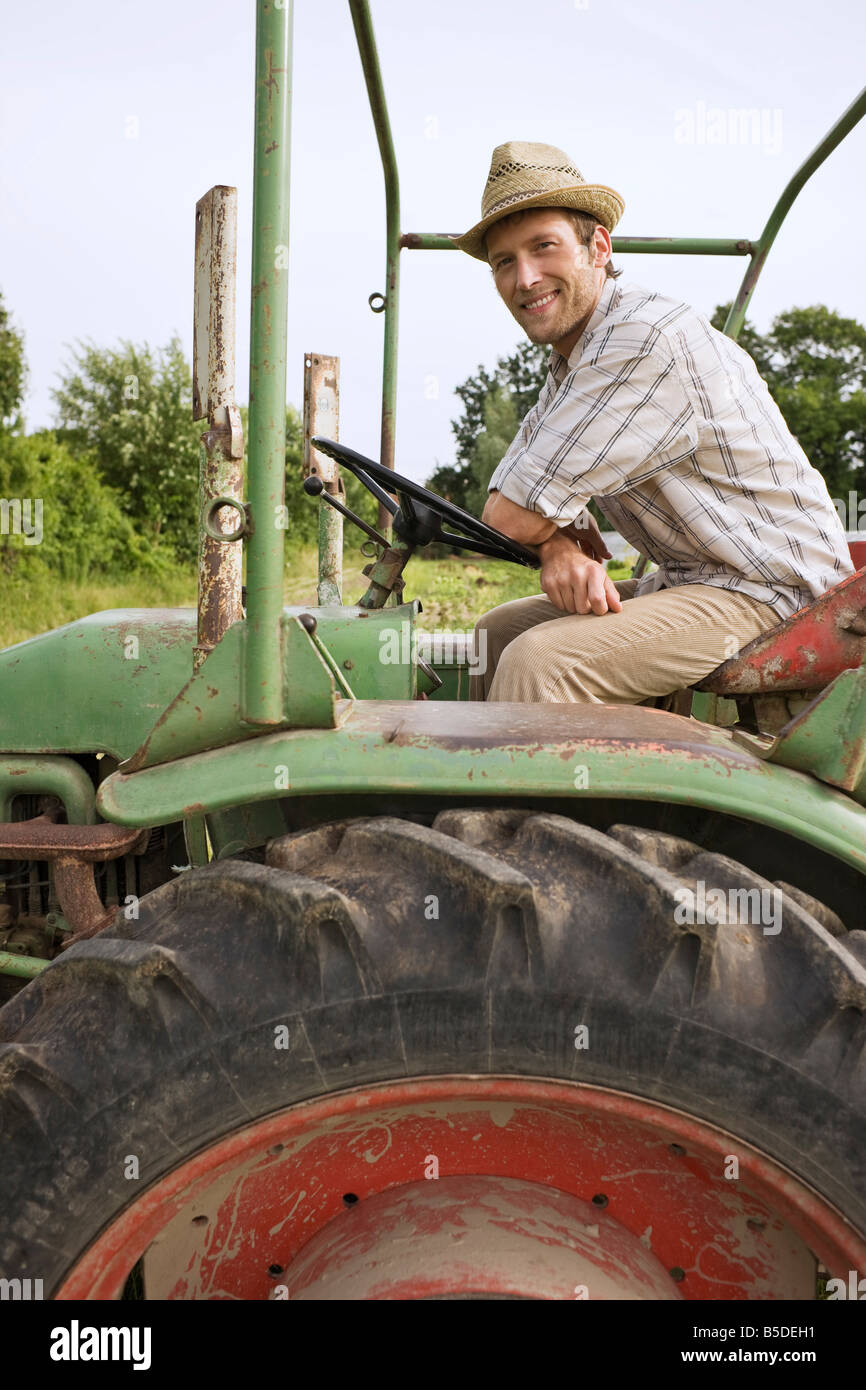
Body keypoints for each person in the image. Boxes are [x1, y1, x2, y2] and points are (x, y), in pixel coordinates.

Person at [451, 142, 854, 704]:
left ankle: (519, 795)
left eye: (544, 247)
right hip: (699, 578)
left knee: (540, 662)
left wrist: (544, 530)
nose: (525, 277)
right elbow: (517, 499)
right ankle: (489, 783)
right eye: (503, 262)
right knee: (495, 634)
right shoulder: (574, 359)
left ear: (598, 248)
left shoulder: (640, 340)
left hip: (775, 591)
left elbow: (512, 514)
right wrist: (558, 548)